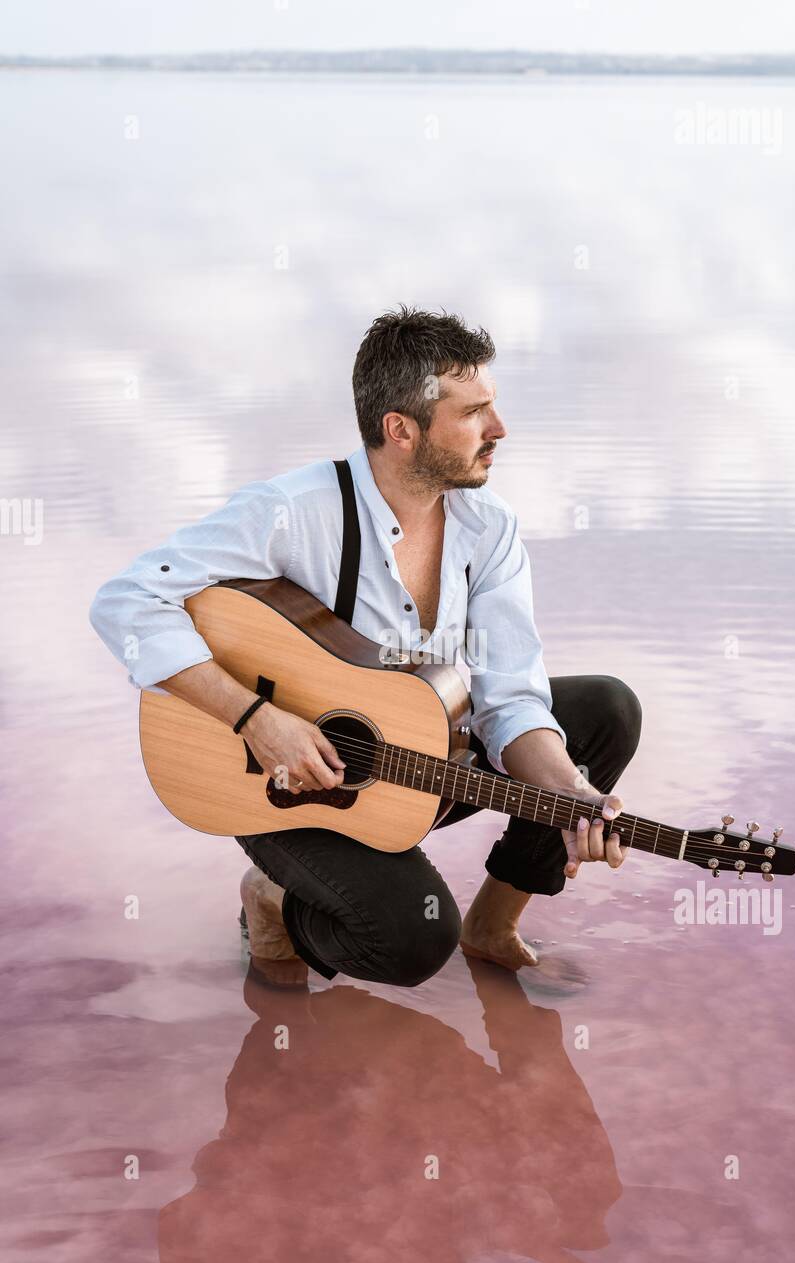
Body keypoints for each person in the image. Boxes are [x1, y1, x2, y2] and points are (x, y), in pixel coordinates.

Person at [90, 307, 641, 987]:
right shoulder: (292, 512)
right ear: (401, 431)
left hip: (414, 761)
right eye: (474, 414)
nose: (499, 430)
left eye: (493, 408)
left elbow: (509, 700)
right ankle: (277, 899)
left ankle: (493, 924)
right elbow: (126, 601)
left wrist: (574, 795)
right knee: (409, 942)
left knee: (606, 711)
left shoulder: (488, 528)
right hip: (274, 781)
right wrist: (257, 721)